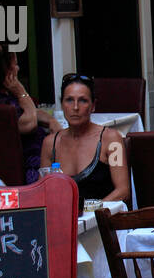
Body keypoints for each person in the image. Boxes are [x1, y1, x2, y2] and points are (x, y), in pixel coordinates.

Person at [0, 44, 58, 184]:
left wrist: (52, 121)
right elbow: (29, 123)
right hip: (26, 164)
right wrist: (21, 91)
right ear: (4, 70)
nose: (18, 68)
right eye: (15, 64)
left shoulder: (1, 95)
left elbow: (32, 112)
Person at [41, 74, 130, 204]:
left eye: (83, 100)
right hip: (64, 220)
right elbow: (43, 191)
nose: (75, 107)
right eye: (69, 100)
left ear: (93, 106)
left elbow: (123, 191)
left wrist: (91, 213)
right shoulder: (50, 143)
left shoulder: (111, 140)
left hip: (102, 219)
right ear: (62, 104)